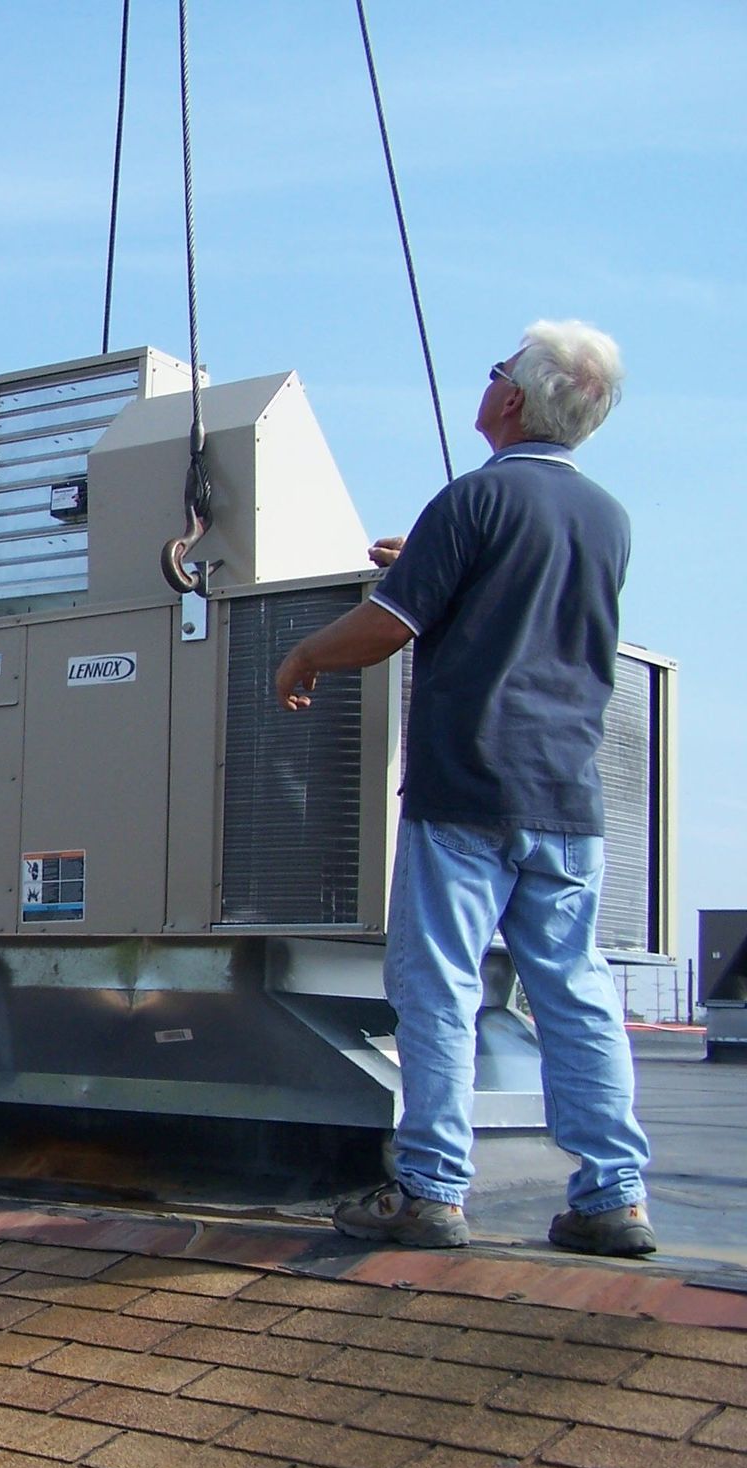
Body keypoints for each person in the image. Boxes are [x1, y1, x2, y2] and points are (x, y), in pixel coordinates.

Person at [273, 320, 654, 1258]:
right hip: (568, 798)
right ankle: (613, 1197)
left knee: (438, 986)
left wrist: (307, 652)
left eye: (496, 371)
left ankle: (431, 1189)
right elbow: (527, 603)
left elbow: (387, 628)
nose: (486, 382)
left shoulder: (474, 499)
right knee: (575, 993)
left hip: (468, 789)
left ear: (513, 398)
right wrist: (434, 561)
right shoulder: (607, 517)